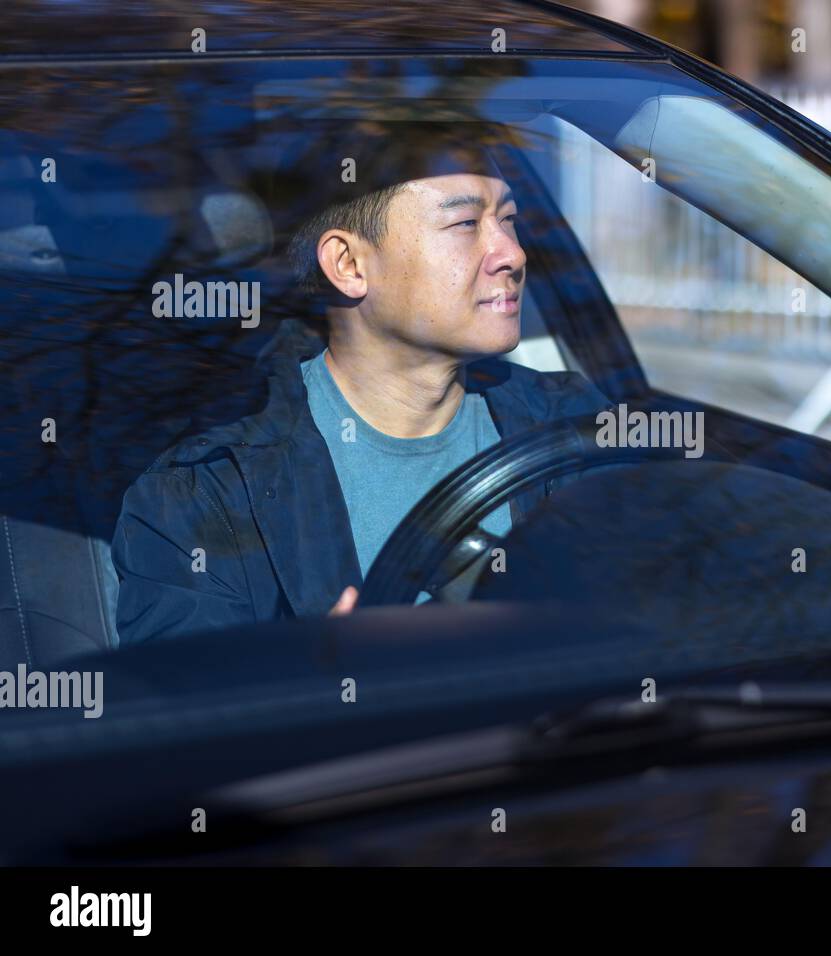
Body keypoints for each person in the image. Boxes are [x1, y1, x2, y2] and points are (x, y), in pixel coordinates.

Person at [111, 123, 611, 643]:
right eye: (465, 223)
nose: (512, 253)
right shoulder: (205, 493)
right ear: (348, 265)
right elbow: (188, 709)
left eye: (508, 219)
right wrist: (309, 687)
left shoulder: (573, 425)